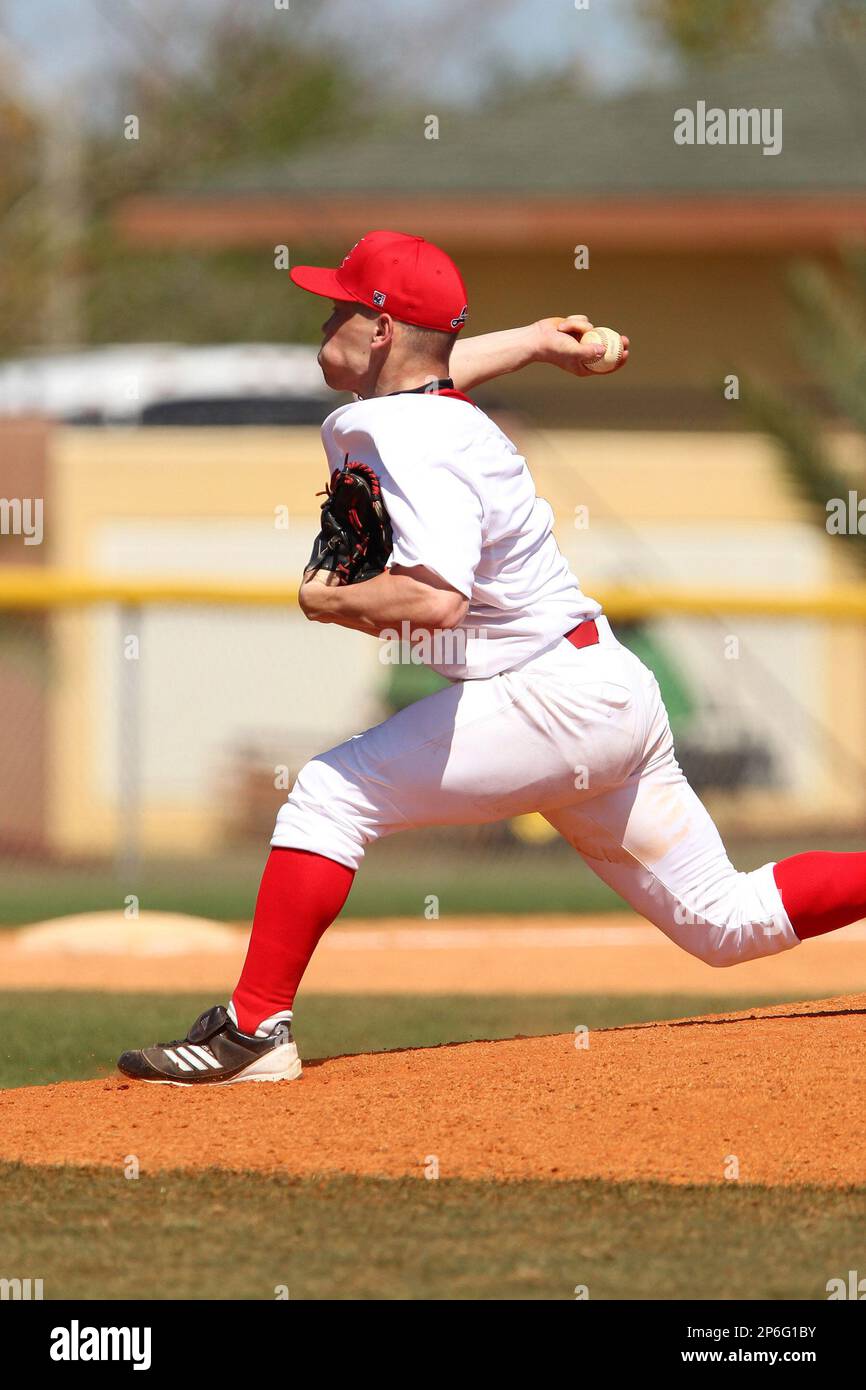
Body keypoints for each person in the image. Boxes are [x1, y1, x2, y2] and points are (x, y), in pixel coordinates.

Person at [118, 230, 865, 1086]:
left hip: (545, 700)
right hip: (605, 689)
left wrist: (326, 599)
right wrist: (541, 342)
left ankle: (254, 1032)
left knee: (328, 793)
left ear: (381, 330)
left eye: (340, 306)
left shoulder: (395, 429)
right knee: (727, 925)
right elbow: (438, 373)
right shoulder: (428, 411)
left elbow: (438, 599)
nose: (325, 319)